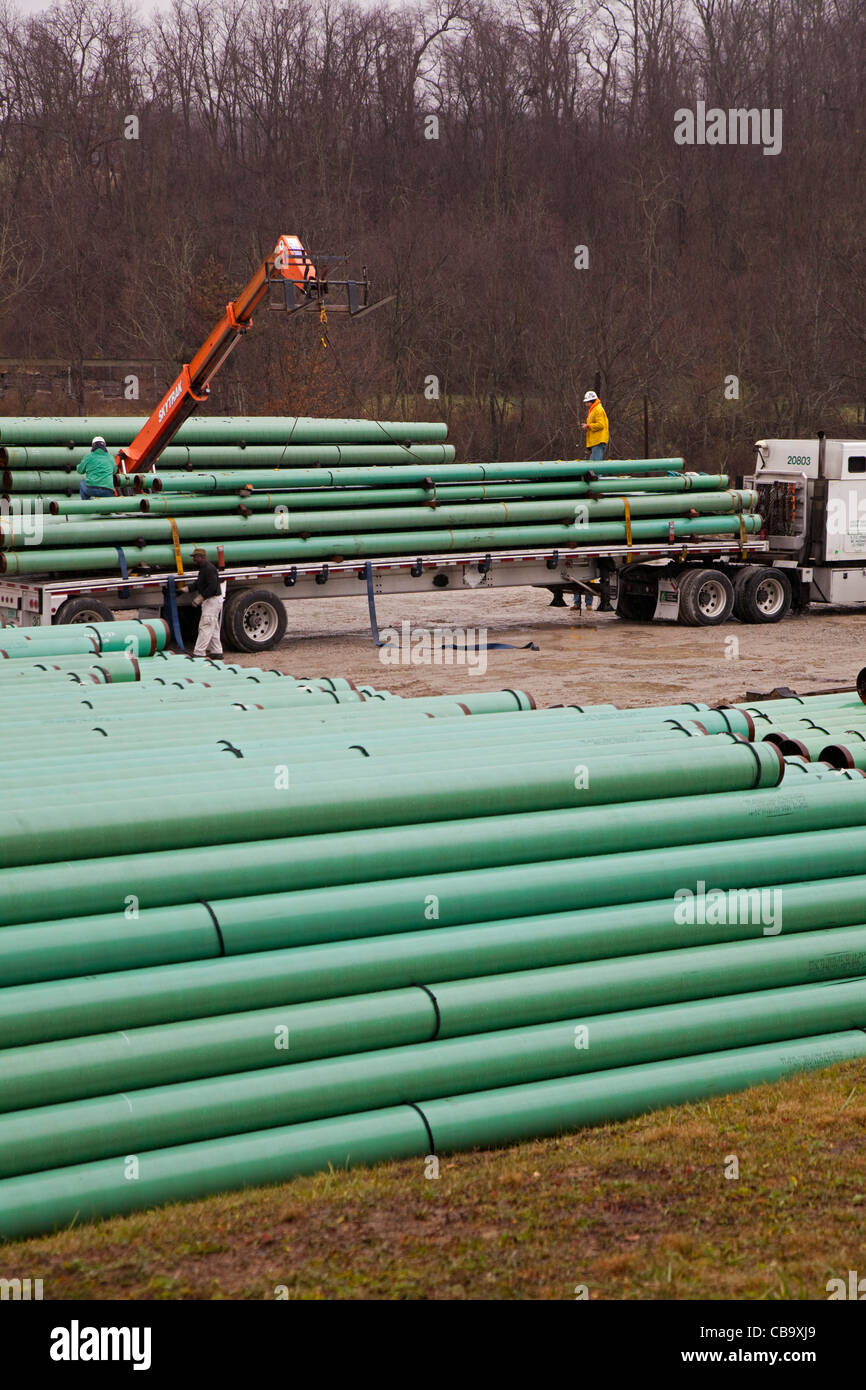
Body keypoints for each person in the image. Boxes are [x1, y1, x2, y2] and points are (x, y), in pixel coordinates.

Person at [189, 546, 225, 659]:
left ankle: (199, 653)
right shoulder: (204, 569)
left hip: (212, 601)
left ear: (201, 557)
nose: (193, 559)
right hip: (211, 601)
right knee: (213, 627)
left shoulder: (209, 569)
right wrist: (185, 589)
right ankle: (216, 652)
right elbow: (198, 584)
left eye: (195, 557)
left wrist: (200, 598)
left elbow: (212, 586)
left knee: (205, 625)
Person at [581, 390, 609, 461]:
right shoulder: (594, 410)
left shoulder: (598, 410)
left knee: (596, 466)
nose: (586, 404)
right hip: (596, 441)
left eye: (587, 402)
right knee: (593, 465)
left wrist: (588, 426)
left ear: (591, 401)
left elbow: (601, 425)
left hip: (598, 441)